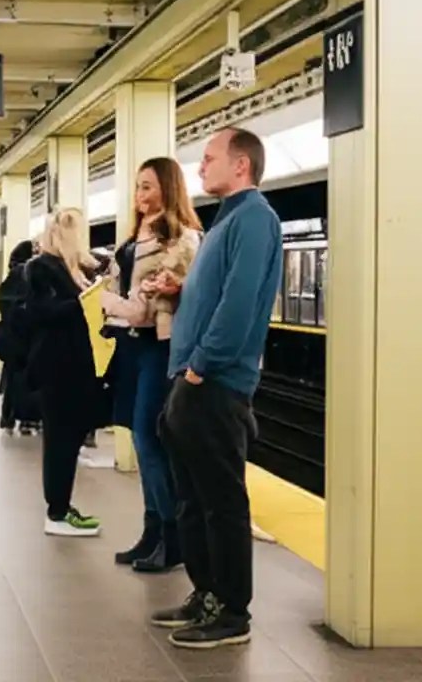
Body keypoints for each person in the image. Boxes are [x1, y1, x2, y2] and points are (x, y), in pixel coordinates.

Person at [151, 128, 281, 649]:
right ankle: (205, 592)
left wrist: (201, 366)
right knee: (193, 498)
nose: (199, 169)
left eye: (208, 159)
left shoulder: (254, 219)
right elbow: (214, 290)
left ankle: (232, 611)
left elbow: (239, 302)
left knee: (221, 500)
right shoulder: (227, 221)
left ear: (241, 165)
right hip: (190, 376)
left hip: (215, 382)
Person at [101, 158, 204, 574]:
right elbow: (119, 283)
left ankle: (173, 534)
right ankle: (153, 533)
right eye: (137, 187)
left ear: (168, 188)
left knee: (149, 439)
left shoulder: (181, 237)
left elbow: (152, 304)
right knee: (139, 439)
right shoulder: (134, 236)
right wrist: (117, 298)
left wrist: (111, 303)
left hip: (159, 346)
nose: (140, 196)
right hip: (131, 346)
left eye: (148, 187)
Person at [24, 208, 105, 537]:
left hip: (72, 365)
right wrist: (86, 303)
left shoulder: (71, 269)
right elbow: (41, 312)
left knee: (67, 440)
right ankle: (56, 511)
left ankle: (62, 505)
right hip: (58, 367)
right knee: (60, 440)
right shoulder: (43, 268)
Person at [0, 240, 41, 435]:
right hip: (26, 338)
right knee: (24, 379)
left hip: (14, 338)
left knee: (13, 378)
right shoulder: (28, 273)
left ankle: (10, 417)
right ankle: (27, 419)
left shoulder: (14, 276)